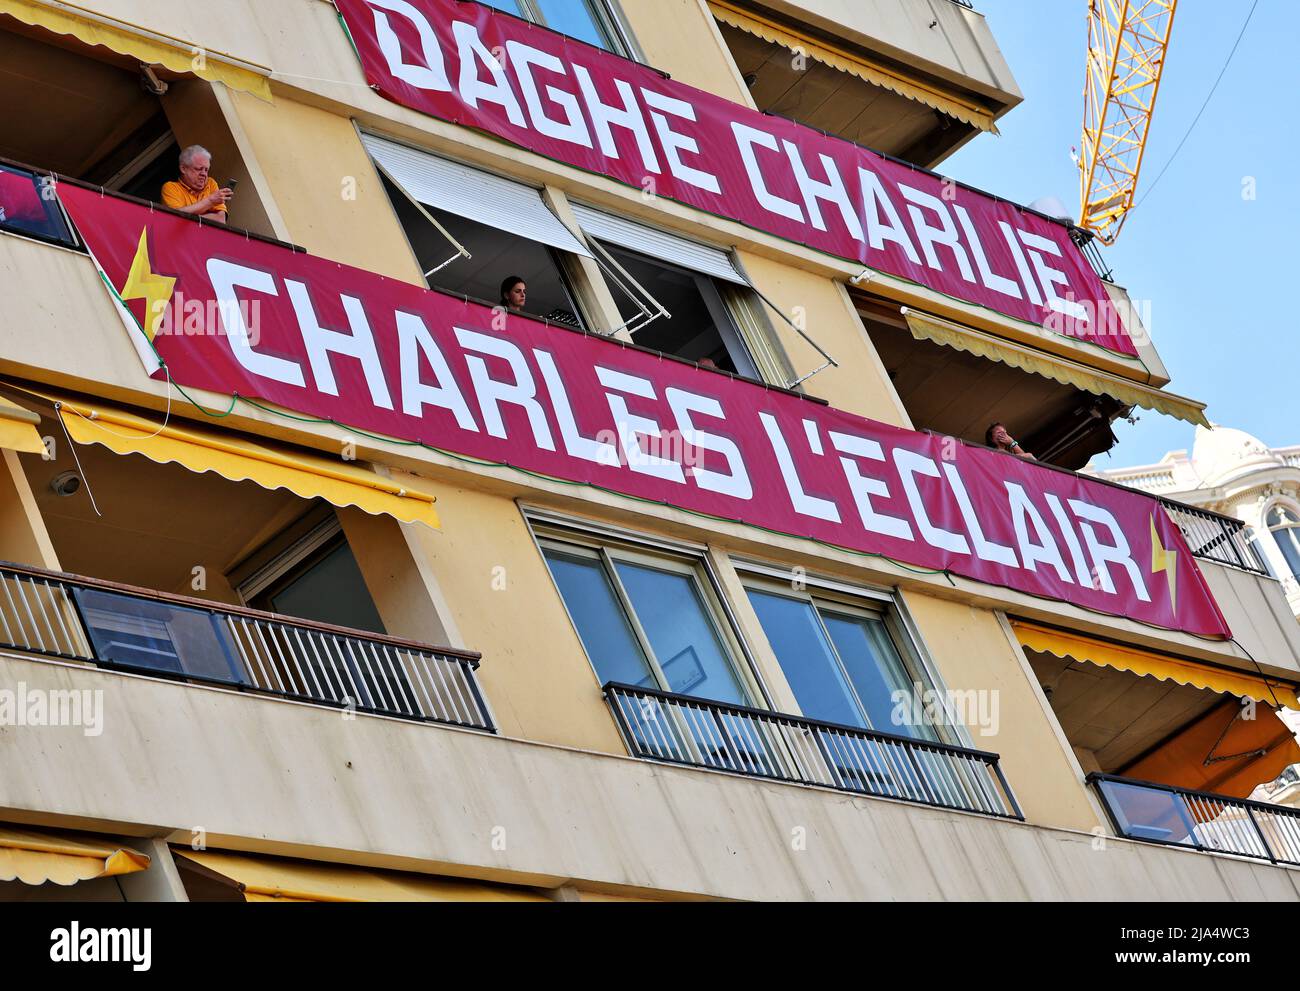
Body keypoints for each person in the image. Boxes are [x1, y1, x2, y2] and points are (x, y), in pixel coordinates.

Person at [161, 145, 232, 223]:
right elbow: (175, 217)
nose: (204, 174)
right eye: (199, 169)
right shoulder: (171, 188)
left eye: (206, 170)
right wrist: (210, 201)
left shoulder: (210, 183)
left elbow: (220, 219)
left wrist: (188, 218)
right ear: (183, 168)